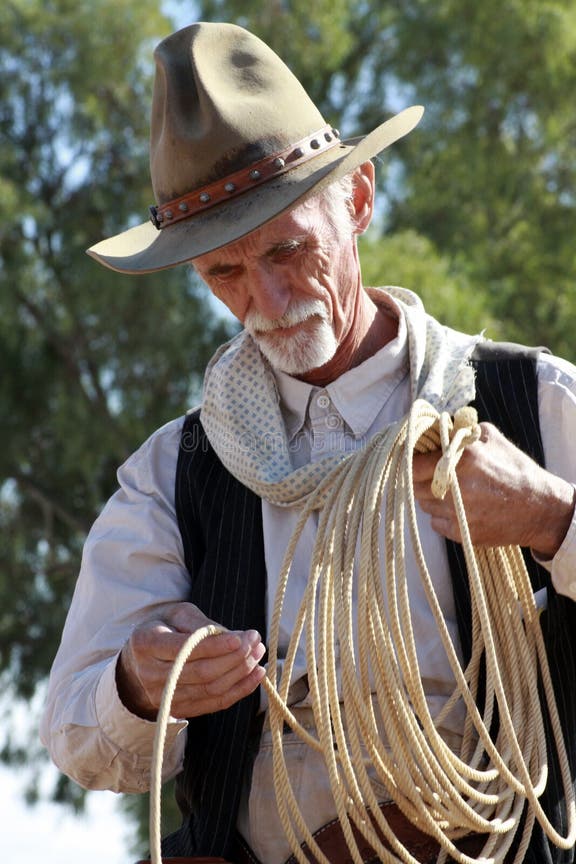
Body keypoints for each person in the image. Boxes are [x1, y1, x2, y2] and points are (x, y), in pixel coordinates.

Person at [40, 21, 576, 864]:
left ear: (359, 198)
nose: (269, 297)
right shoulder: (172, 476)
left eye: (289, 250)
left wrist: (553, 519)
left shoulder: (532, 404)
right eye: (225, 273)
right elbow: (76, 735)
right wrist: (141, 686)